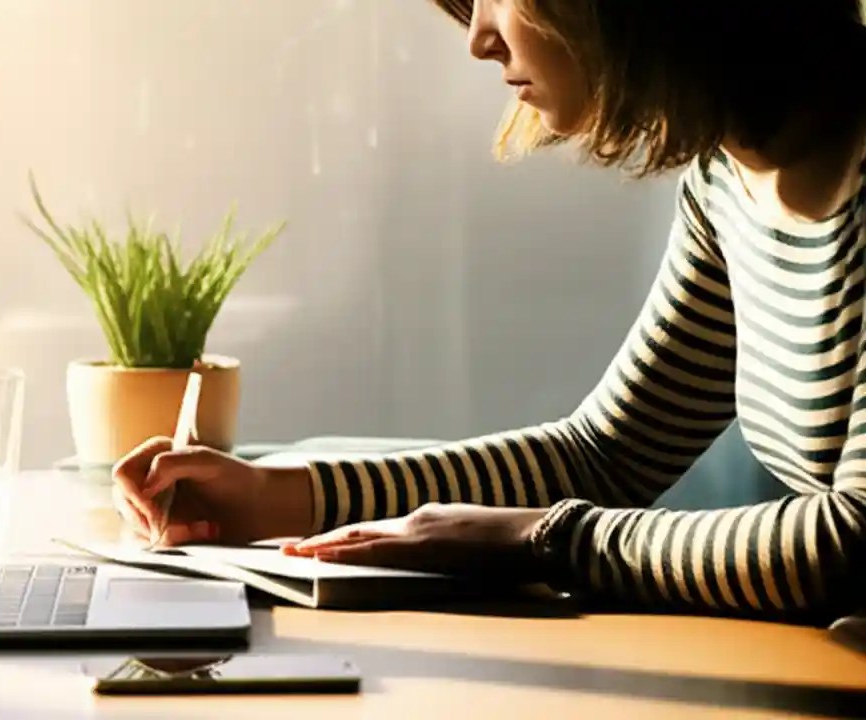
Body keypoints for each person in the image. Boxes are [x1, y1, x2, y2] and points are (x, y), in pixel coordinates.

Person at [111, 0, 866, 622]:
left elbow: (853, 547)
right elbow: (605, 457)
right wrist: (278, 498)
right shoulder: (724, 181)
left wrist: (542, 541)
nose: (476, 37)